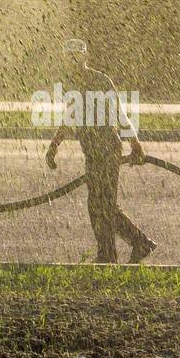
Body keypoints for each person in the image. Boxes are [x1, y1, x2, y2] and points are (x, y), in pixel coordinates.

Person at [46, 38, 157, 264]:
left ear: (85, 57)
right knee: (100, 204)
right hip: (93, 151)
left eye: (77, 56)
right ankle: (121, 249)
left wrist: (136, 145)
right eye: (69, 57)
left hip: (106, 149)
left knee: (102, 205)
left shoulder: (100, 80)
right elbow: (70, 118)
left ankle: (118, 250)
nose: (73, 61)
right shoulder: (72, 84)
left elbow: (119, 113)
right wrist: (54, 145)